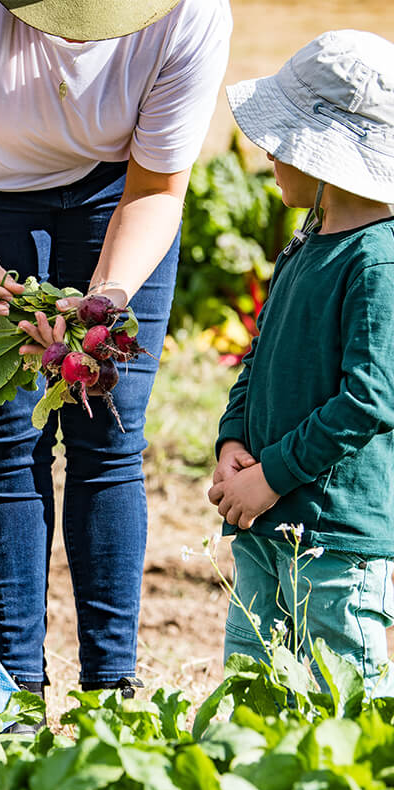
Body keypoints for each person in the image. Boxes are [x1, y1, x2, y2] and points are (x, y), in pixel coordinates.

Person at [0, 0, 231, 706]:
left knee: (109, 430)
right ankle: (16, 690)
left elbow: (157, 187)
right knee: (9, 435)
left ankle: (112, 691)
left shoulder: (189, 12)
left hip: (118, 195)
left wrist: (107, 301)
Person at [208, 30, 394, 693]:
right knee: (253, 697)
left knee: (347, 702)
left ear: (328, 156)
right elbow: (259, 355)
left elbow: (370, 396)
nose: (266, 153)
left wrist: (271, 476)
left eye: (281, 140)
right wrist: (235, 440)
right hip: (266, 522)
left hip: (334, 538)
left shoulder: (377, 258)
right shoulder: (308, 241)